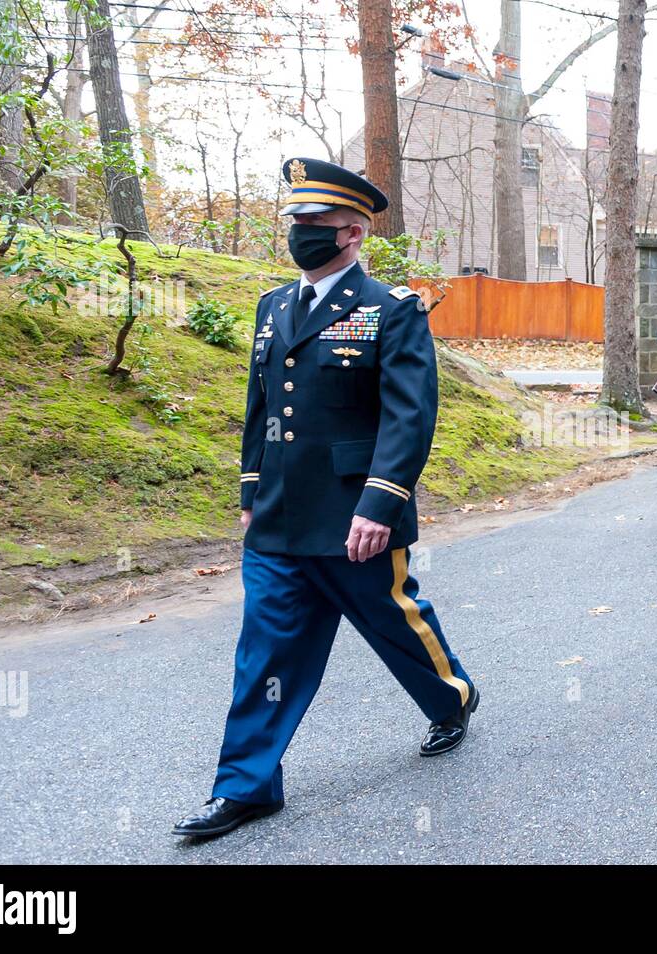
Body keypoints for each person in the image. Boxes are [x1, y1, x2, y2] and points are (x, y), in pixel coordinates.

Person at [172, 158, 478, 840]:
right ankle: (246, 787)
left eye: (315, 224)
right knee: (264, 654)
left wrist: (380, 504)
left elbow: (409, 415)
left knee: (394, 623)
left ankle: (452, 698)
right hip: (279, 516)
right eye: (296, 222)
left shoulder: (390, 309)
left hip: (353, 516)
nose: (300, 233)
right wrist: (251, 489)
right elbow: (260, 408)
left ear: (353, 234)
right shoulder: (273, 305)